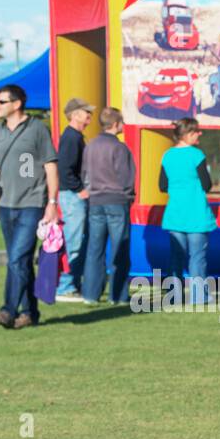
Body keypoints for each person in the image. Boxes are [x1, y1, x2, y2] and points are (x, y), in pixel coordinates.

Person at [0, 84, 60, 329]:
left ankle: (8, 310)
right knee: (22, 261)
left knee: (16, 259)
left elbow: (50, 167)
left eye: (2, 102)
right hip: (6, 204)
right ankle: (30, 312)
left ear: (16, 103)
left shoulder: (37, 130)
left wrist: (52, 203)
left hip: (32, 204)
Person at [81, 107, 136, 305]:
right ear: (115, 124)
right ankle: (118, 295)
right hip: (116, 200)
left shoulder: (91, 145)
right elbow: (126, 177)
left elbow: (84, 174)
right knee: (119, 249)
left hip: (95, 201)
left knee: (95, 249)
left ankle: (90, 294)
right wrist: (129, 196)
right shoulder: (119, 148)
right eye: (121, 122)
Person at [159, 118, 217, 304]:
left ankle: (174, 296)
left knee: (176, 258)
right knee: (197, 257)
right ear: (188, 134)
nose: (199, 134)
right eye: (196, 131)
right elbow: (207, 184)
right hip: (196, 214)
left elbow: (162, 185)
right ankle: (199, 297)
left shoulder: (167, 155)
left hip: (175, 213)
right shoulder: (196, 155)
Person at [56, 98, 94, 301]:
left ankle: (72, 284)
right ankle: (66, 286)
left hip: (73, 195)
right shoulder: (71, 137)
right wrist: (79, 189)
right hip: (72, 196)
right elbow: (64, 168)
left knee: (79, 239)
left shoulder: (75, 136)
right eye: (86, 111)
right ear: (75, 114)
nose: (90, 115)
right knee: (75, 240)